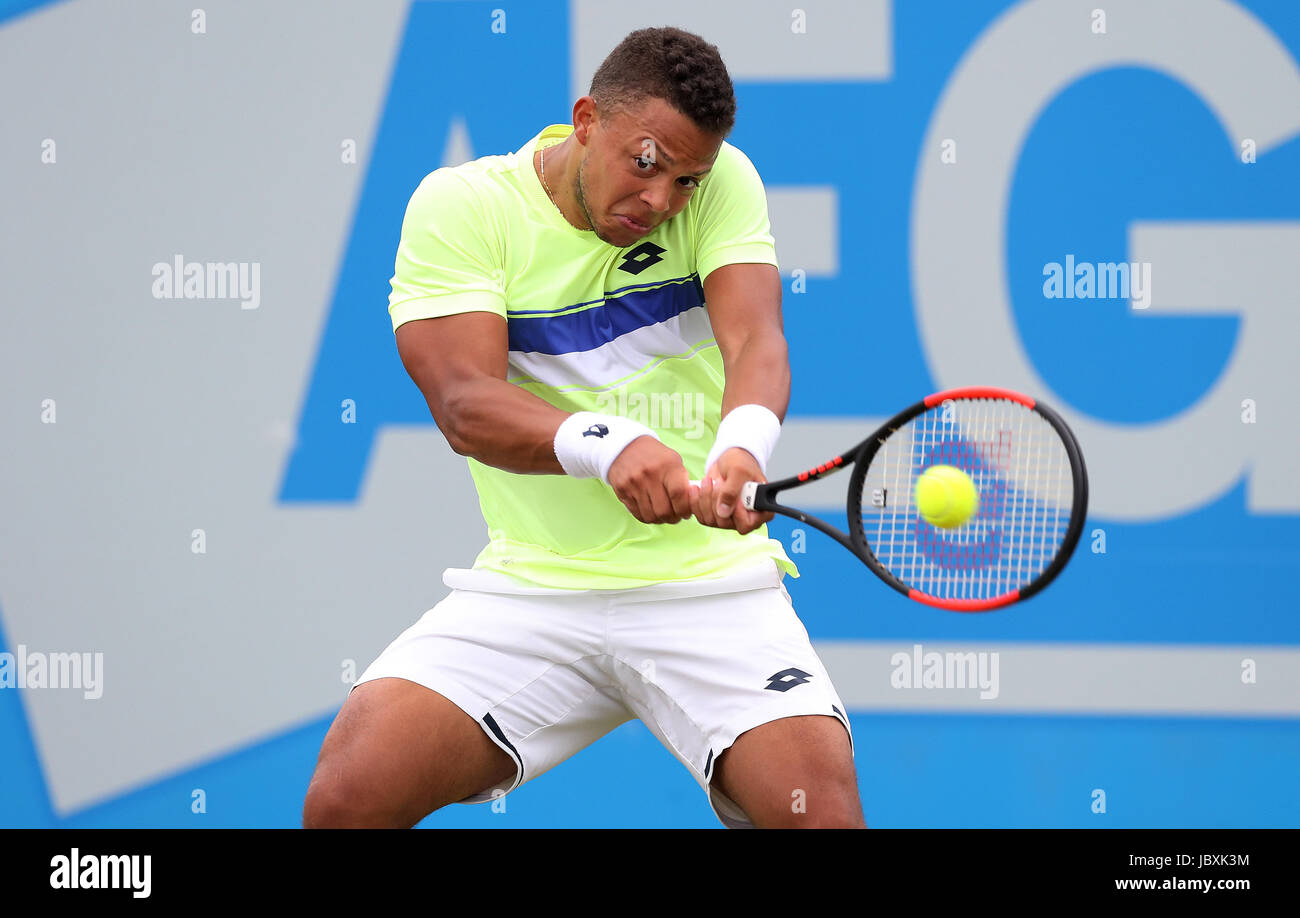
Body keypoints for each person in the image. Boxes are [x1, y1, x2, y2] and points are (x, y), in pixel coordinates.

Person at [303, 26, 864, 829]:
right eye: (646, 163)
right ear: (586, 121)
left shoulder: (725, 185)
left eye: (686, 180)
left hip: (708, 587)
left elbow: (755, 340)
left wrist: (743, 445)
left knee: (822, 818)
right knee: (348, 798)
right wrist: (607, 447)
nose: (663, 200)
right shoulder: (465, 207)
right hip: (535, 585)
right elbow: (465, 402)